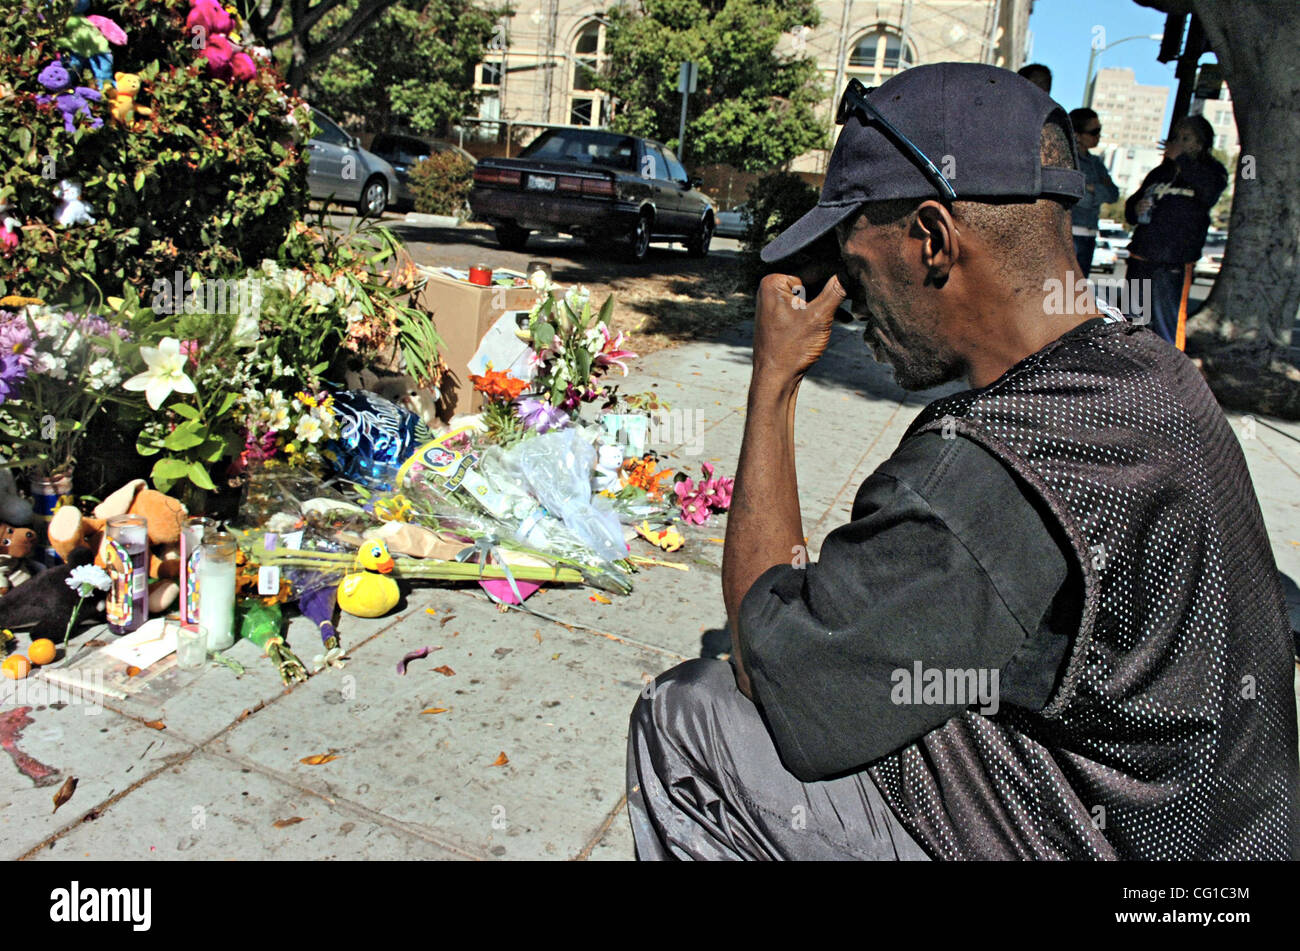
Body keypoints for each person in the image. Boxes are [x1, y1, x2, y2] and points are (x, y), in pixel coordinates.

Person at [626, 63, 1299, 861]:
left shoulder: (989, 467)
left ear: (934, 240)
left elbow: (763, 662)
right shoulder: (1153, 373)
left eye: (855, 258)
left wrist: (772, 385)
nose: (850, 294)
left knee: (691, 710)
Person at [1123, 115, 1227, 343]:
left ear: (1200, 144)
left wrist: (1181, 159)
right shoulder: (1160, 173)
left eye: (1185, 138)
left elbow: (1209, 193)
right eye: (1176, 137)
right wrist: (1135, 208)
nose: (1177, 142)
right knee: (1132, 319)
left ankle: (1169, 373)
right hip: (1142, 255)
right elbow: (1132, 206)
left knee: (1165, 323)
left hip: (1173, 260)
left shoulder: (1212, 171)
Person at [1068, 107, 1119, 277]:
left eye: (1100, 131)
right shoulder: (1067, 159)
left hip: (1089, 234)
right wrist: (1097, 190)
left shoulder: (1096, 163)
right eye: (1094, 131)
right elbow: (1076, 196)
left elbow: (1113, 194)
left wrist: (1091, 188)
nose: (1098, 136)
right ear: (1077, 134)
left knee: (1078, 289)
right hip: (1069, 233)